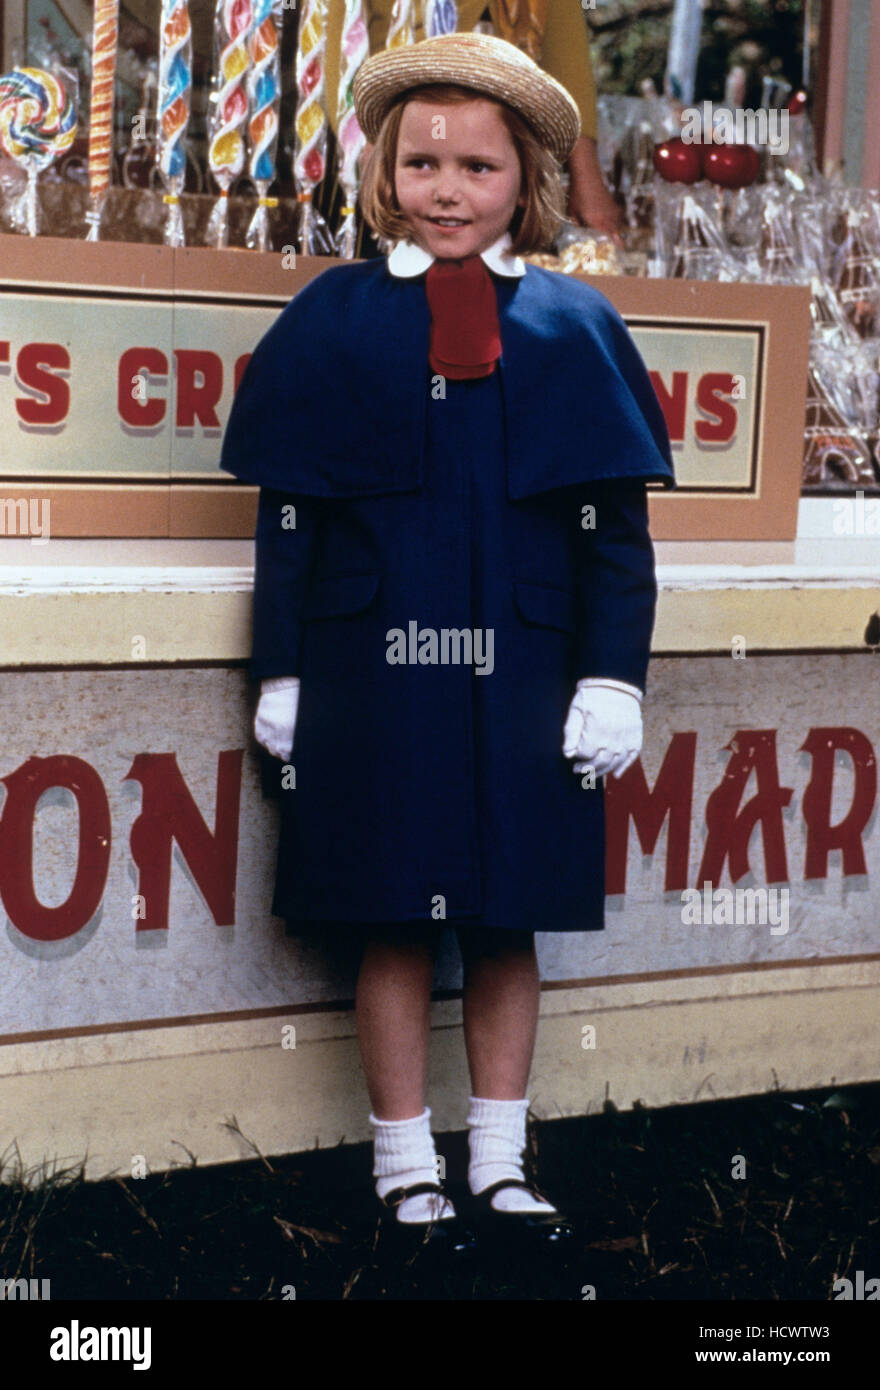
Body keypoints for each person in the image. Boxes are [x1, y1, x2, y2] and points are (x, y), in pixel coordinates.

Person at [220, 32, 675, 1256]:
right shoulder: (332, 320)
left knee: (507, 916)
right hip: (372, 671)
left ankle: (501, 1159)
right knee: (392, 915)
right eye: (421, 160)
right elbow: (292, 520)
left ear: (521, 178)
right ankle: (403, 1158)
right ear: (385, 172)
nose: (446, 186)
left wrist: (609, 677)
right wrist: (284, 671)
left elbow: (614, 540)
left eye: (476, 165)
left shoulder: (575, 327)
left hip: (528, 677)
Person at [320, 0, 623, 252]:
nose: (447, 192)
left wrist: (588, 177)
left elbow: (564, 44)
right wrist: (370, 151)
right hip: (395, 122)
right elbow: (338, 44)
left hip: (502, 121)